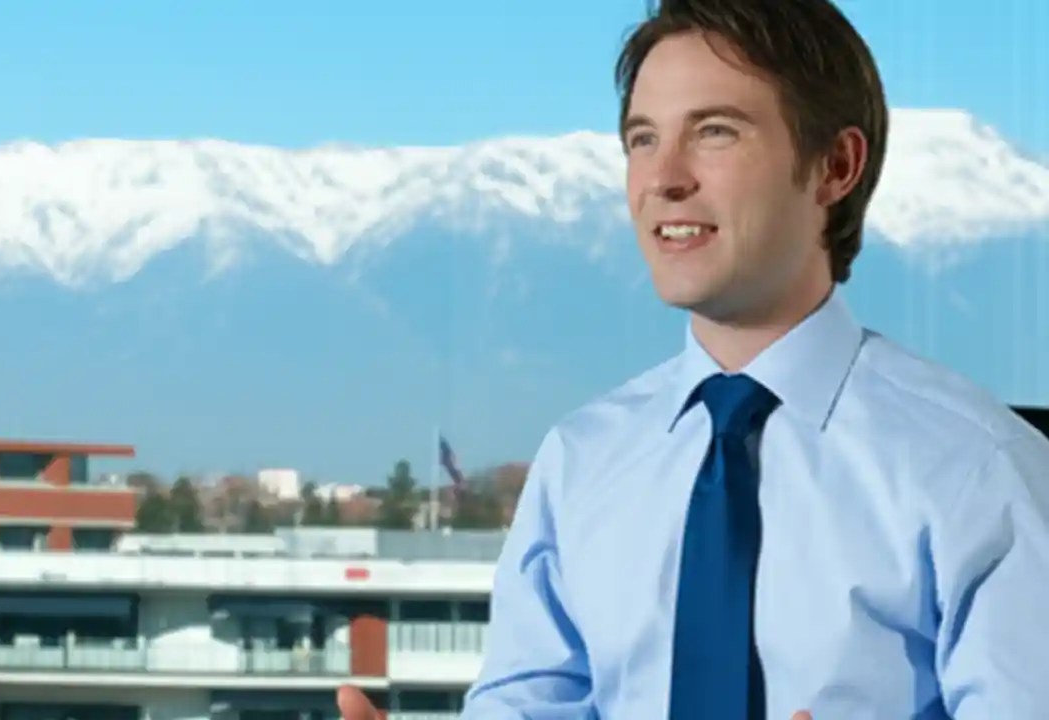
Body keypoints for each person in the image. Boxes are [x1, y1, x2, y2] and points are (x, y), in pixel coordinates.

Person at [338, 0, 1049, 717]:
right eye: (642, 139)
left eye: (714, 132)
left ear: (835, 167)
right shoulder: (581, 462)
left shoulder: (980, 470)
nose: (664, 178)